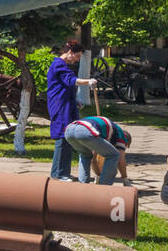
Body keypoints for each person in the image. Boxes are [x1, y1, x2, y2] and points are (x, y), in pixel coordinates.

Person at [46, 40, 98, 181]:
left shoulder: (61, 65)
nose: (77, 60)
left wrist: (76, 103)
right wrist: (88, 82)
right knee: (63, 137)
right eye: (77, 57)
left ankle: (60, 172)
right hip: (60, 106)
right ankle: (59, 174)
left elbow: (67, 87)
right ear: (70, 52)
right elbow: (71, 80)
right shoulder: (58, 64)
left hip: (66, 105)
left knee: (67, 137)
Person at [63, 115, 131, 185]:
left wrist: (98, 175)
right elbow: (121, 161)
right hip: (85, 131)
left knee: (85, 155)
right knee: (114, 155)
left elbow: (94, 159)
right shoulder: (122, 136)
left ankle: (83, 185)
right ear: (126, 141)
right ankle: (104, 186)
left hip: (69, 130)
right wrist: (125, 179)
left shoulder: (106, 132)